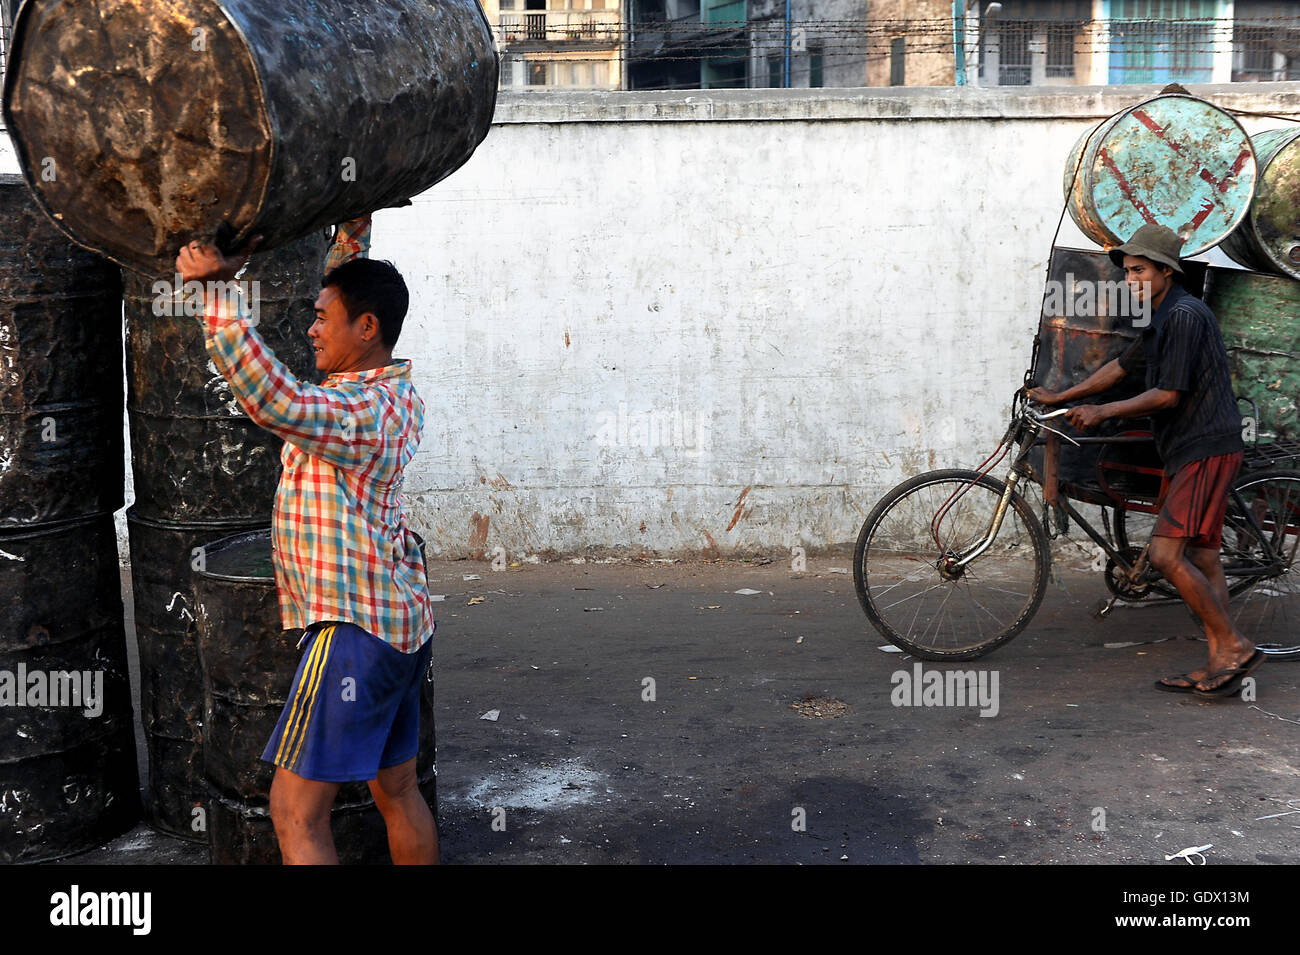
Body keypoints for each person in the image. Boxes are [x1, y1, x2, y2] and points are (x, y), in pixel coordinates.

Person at [176, 218, 439, 863]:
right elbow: (308, 384)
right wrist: (353, 224)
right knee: (398, 789)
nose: (313, 328)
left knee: (294, 814)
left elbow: (275, 403)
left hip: (354, 633)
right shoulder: (394, 396)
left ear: (367, 328)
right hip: (401, 626)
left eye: (325, 317)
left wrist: (216, 296)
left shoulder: (356, 415)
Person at [1028, 223, 1262, 699]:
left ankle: (1233, 647)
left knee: (1164, 554)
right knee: (1203, 557)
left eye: (1139, 270)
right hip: (1192, 448)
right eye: (1128, 271)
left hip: (1205, 447)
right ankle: (1222, 658)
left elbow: (1167, 395)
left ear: (1164, 271)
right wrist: (1063, 395)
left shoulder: (1184, 317)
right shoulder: (1161, 316)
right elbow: (1120, 368)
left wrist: (1101, 411)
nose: (1130, 279)